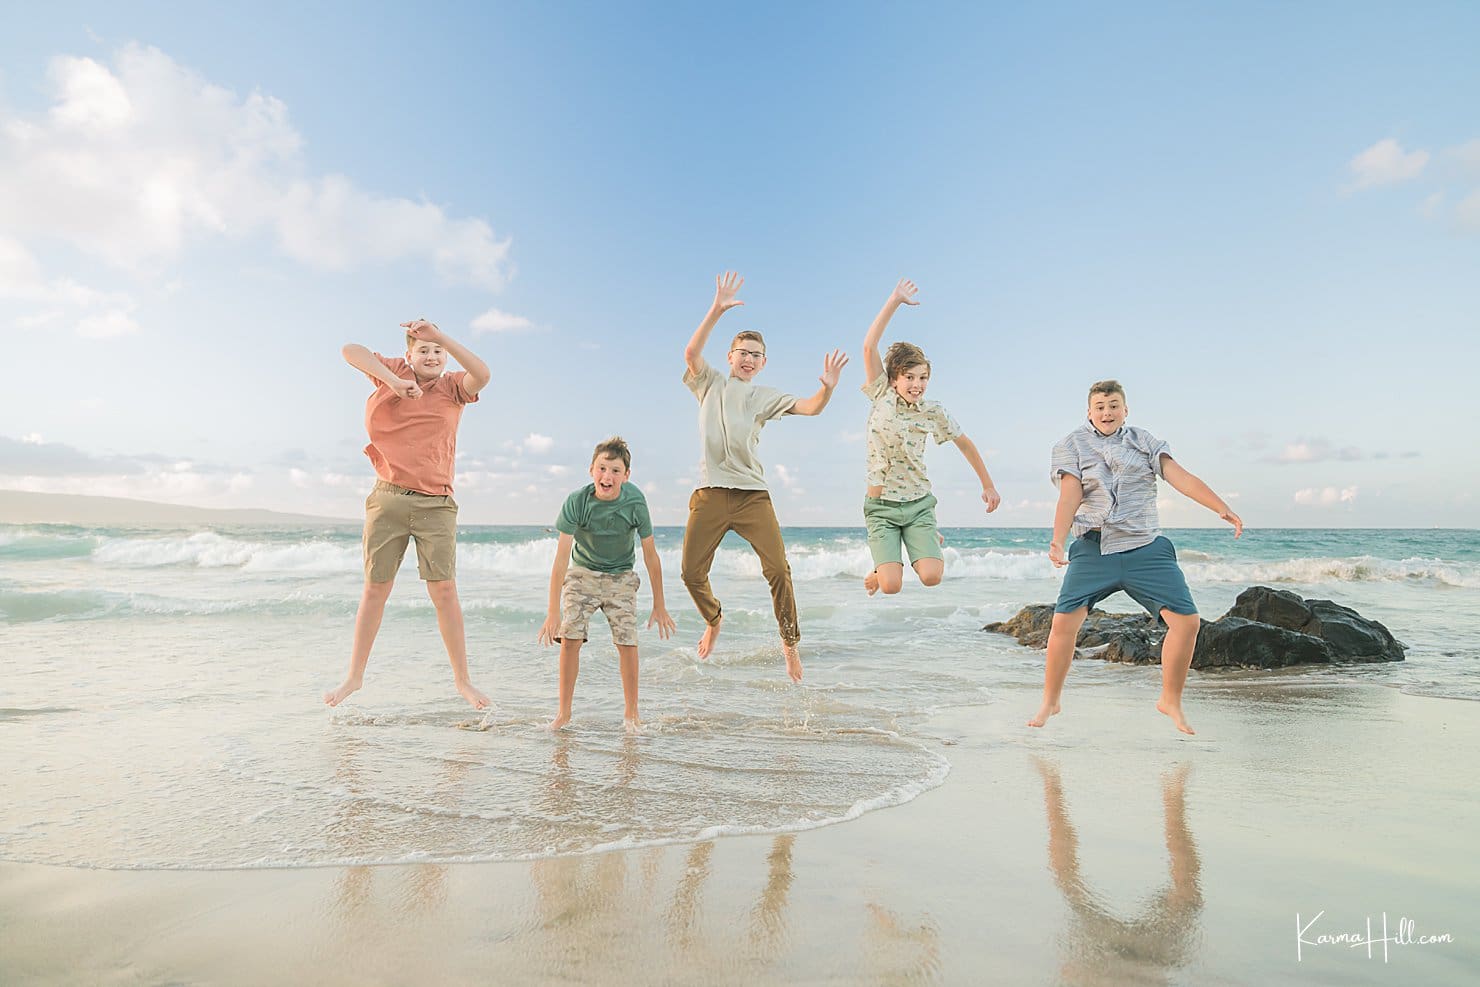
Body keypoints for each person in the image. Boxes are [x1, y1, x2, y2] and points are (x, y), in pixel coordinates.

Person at [1029, 380, 1243, 734]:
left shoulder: (1144, 442)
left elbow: (1181, 477)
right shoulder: (1070, 445)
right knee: (1062, 625)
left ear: (1125, 410)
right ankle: (1051, 700)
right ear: (1089, 411)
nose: (1107, 412)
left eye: (1113, 405)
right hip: (1094, 549)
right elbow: (1070, 493)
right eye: (1099, 406)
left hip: (1146, 548)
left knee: (1188, 622)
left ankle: (1170, 700)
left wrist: (1221, 507)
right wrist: (1057, 539)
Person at [680, 271, 848, 683]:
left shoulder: (765, 395)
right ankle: (714, 619)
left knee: (778, 568)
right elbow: (690, 352)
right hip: (712, 493)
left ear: (764, 362)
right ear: (730, 356)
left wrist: (826, 389)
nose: (749, 358)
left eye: (756, 354)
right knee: (690, 572)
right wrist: (717, 309)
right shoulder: (710, 384)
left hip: (753, 495)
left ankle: (790, 646)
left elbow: (811, 408)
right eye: (743, 352)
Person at [324, 318, 491, 710]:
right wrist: (394, 383)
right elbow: (350, 350)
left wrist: (442, 337)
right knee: (375, 588)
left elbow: (482, 374)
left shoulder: (453, 387)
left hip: (436, 504)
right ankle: (354, 677)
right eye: (423, 350)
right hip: (388, 499)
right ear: (409, 355)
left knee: (444, 591)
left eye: (437, 352)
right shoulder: (394, 373)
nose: (431, 356)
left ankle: (463, 681)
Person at [858, 278, 1001, 596]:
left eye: (923, 377)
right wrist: (894, 299)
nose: (916, 384)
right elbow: (869, 346)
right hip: (881, 506)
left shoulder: (932, 411)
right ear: (894, 378)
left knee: (932, 577)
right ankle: (883, 568)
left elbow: (964, 443)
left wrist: (987, 485)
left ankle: (921, 538)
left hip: (919, 503)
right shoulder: (880, 393)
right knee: (891, 586)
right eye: (909, 377)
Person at [538, 437, 675, 731]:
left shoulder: (635, 501)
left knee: (627, 642)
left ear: (626, 475)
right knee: (570, 639)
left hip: (620, 576)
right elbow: (561, 559)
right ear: (591, 471)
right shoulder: (577, 502)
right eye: (602, 468)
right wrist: (553, 611)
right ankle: (563, 714)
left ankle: (631, 714)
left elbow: (650, 555)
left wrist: (660, 605)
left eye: (615, 470)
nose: (607, 476)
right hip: (582, 573)